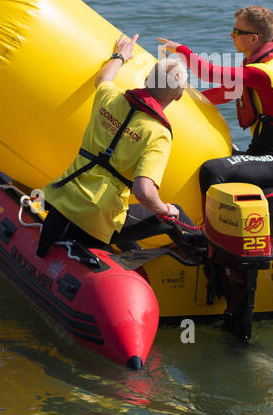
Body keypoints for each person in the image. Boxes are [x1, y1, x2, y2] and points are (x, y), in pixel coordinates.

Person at [36, 33, 193, 257]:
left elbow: (103, 79)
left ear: (146, 80)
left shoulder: (111, 98)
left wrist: (120, 56)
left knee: (130, 218)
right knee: (177, 217)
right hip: (96, 218)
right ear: (178, 96)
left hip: (62, 200)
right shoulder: (158, 133)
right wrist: (166, 209)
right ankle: (204, 267)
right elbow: (143, 192)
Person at [159, 5, 273, 195]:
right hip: (258, 152)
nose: (231, 35)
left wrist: (180, 49)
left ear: (253, 38)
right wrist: (184, 103)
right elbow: (227, 92)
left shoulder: (264, 72)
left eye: (237, 31)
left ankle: (206, 225)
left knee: (212, 170)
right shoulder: (257, 64)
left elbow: (208, 73)